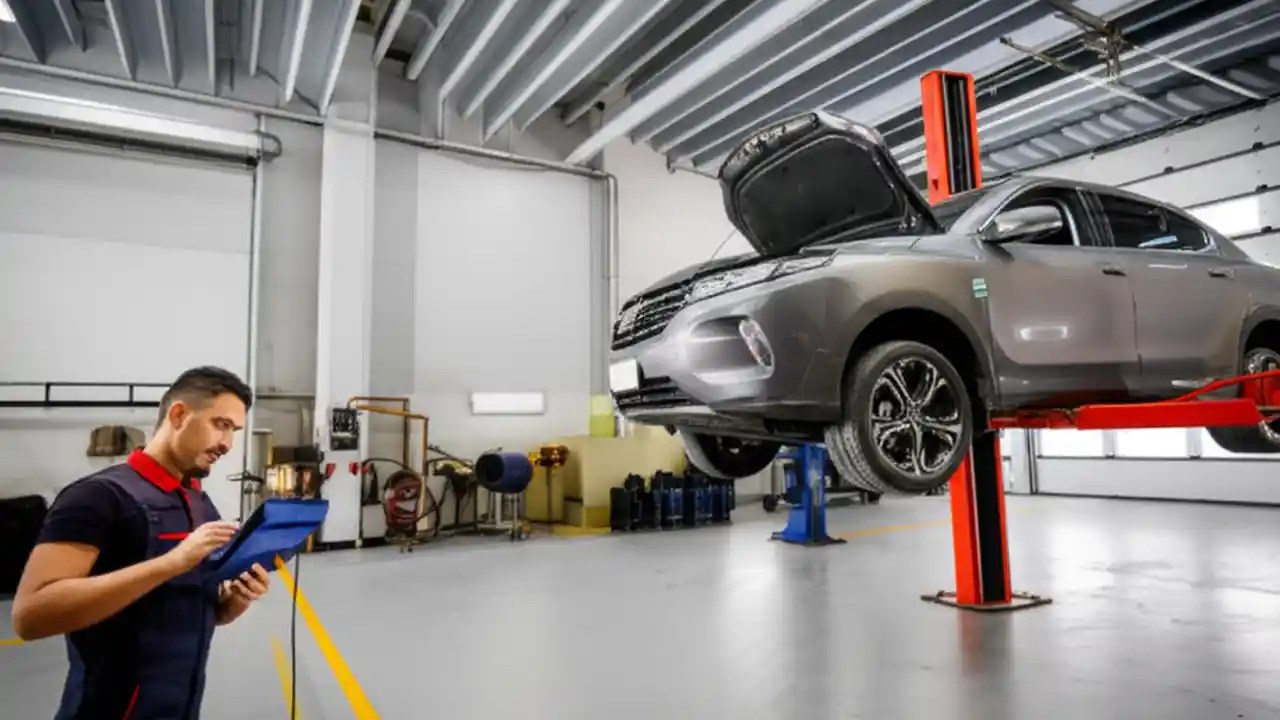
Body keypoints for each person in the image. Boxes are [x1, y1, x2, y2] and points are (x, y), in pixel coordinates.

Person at [11, 366, 271, 719]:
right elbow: (30, 617)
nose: (227, 444)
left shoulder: (198, 502)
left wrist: (229, 604)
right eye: (220, 424)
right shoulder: (97, 497)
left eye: (234, 431)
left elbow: (181, 612)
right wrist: (172, 563)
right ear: (178, 414)